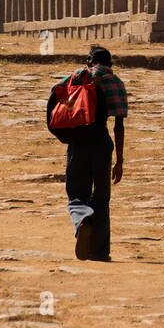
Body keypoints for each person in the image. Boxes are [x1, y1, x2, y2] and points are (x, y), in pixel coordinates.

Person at [61, 45, 128, 262]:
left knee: (77, 191)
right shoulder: (116, 82)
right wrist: (119, 160)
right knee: (102, 197)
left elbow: (57, 95)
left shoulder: (80, 75)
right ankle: (100, 251)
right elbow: (119, 125)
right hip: (102, 143)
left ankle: (82, 219)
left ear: (89, 61)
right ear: (110, 64)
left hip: (78, 142)